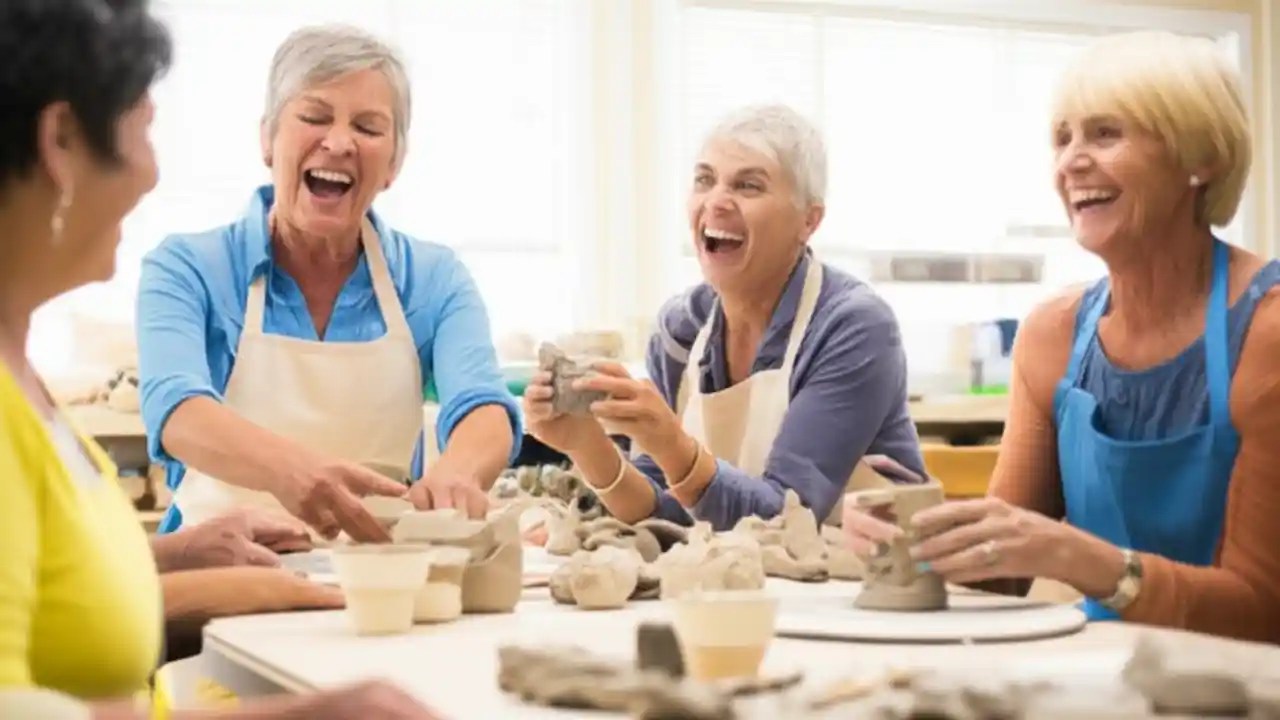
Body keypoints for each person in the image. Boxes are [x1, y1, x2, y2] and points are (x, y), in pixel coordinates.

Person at [0, 2, 442, 717]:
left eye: (367, 126)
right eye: (143, 128)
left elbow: (40, 595)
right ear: (60, 142)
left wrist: (171, 561)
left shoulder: (25, 389)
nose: (151, 173)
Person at [845, 31, 1280, 643]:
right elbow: (995, 574)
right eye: (1062, 137)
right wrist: (901, 540)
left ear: (1200, 158)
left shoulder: (1267, 334)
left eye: (1106, 134)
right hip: (1109, 680)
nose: (1071, 162)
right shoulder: (1052, 336)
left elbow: (1262, 613)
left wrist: (1082, 559)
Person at [137, 24, 521, 539]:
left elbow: (482, 405)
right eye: (314, 117)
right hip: (216, 562)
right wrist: (293, 472)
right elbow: (177, 411)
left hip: (374, 573)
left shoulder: (434, 279)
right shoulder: (188, 268)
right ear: (268, 140)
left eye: (368, 127)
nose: (339, 143)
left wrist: (457, 473)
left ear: (394, 164)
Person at [524, 104, 924, 531]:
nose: (716, 201)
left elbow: (788, 518)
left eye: (748, 186)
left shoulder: (852, 327)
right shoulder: (682, 329)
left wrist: (672, 444)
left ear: (809, 220)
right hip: (750, 587)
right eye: (704, 180)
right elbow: (671, 516)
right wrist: (586, 445)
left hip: (871, 581)